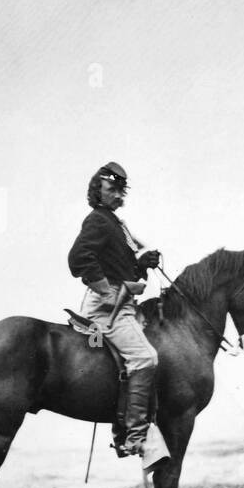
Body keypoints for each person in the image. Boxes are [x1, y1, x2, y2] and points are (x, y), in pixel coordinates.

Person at [67, 162, 162, 457]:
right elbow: (78, 259)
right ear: (98, 191)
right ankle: (133, 436)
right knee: (145, 358)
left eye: (122, 191)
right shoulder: (98, 220)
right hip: (108, 307)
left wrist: (141, 263)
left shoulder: (115, 223)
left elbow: (120, 261)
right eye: (112, 190)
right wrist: (107, 290)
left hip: (123, 302)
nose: (118, 196)